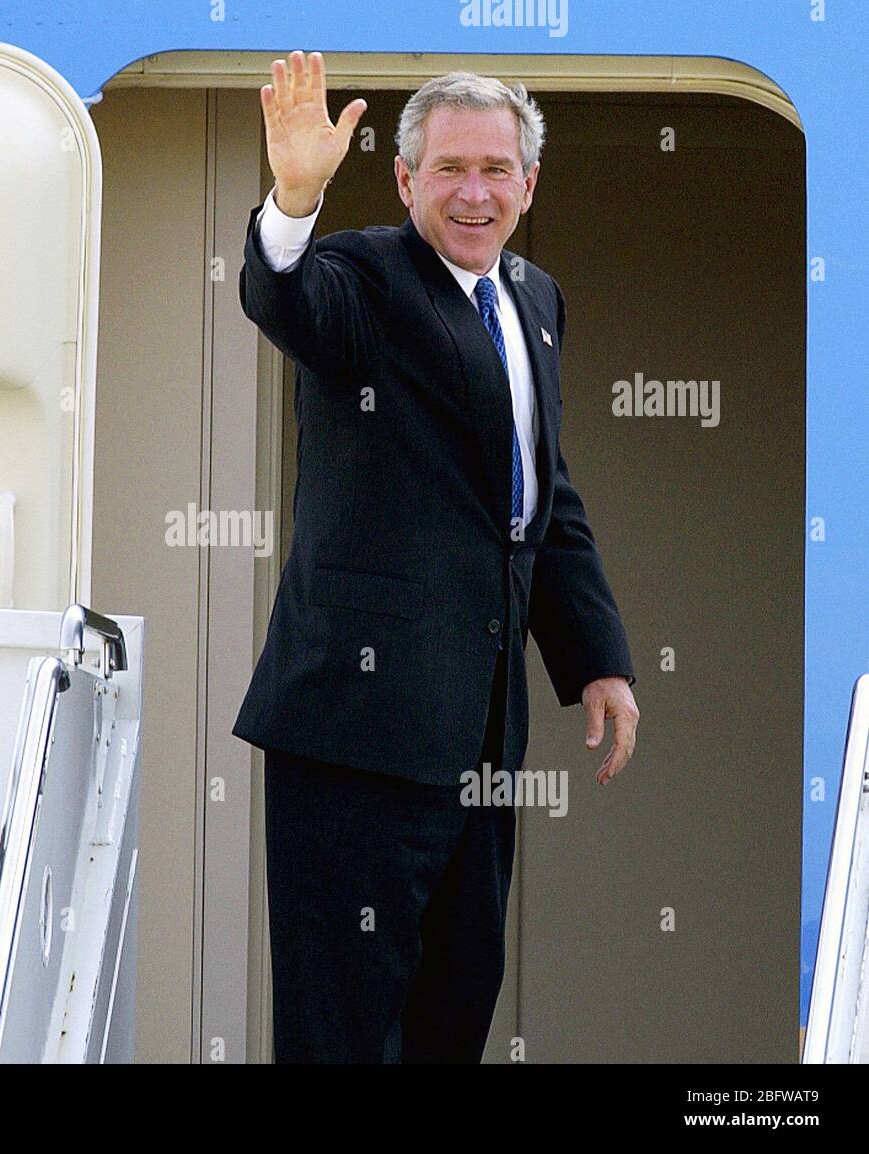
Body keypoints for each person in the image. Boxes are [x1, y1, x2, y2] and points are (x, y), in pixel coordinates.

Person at [233, 51, 641, 1063]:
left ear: (528, 183)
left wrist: (596, 656)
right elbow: (286, 302)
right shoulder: (363, 277)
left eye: (496, 170)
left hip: (479, 733)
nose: (473, 192)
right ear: (406, 180)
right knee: (343, 1020)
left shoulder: (534, 300)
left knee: (453, 1007)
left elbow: (541, 496)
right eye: (448, 168)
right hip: (357, 725)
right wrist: (292, 199)